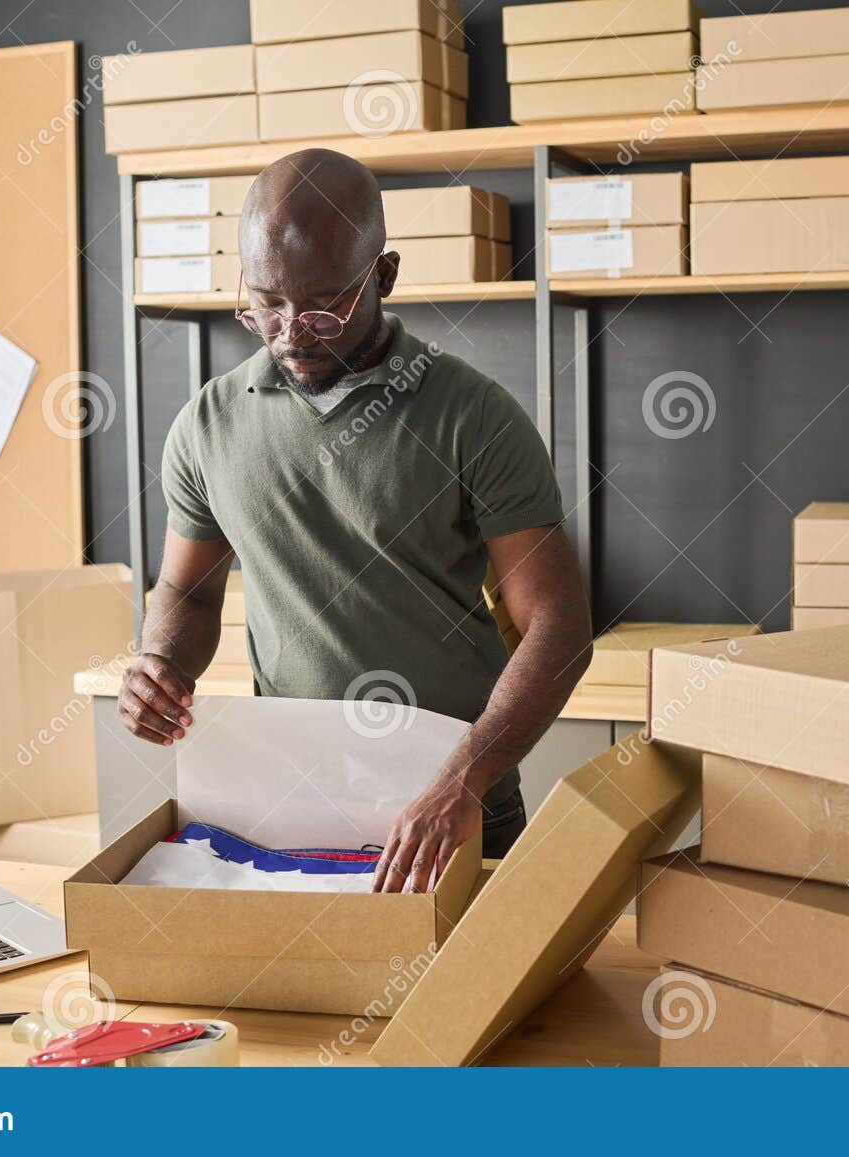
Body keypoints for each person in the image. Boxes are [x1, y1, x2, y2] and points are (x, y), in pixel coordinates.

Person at [116, 148, 592, 893]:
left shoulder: (474, 416)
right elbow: (188, 594)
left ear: (385, 275)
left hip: (457, 816)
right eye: (266, 303)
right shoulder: (206, 426)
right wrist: (159, 664)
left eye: (324, 304)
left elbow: (558, 626)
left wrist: (462, 783)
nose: (292, 331)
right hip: (293, 817)